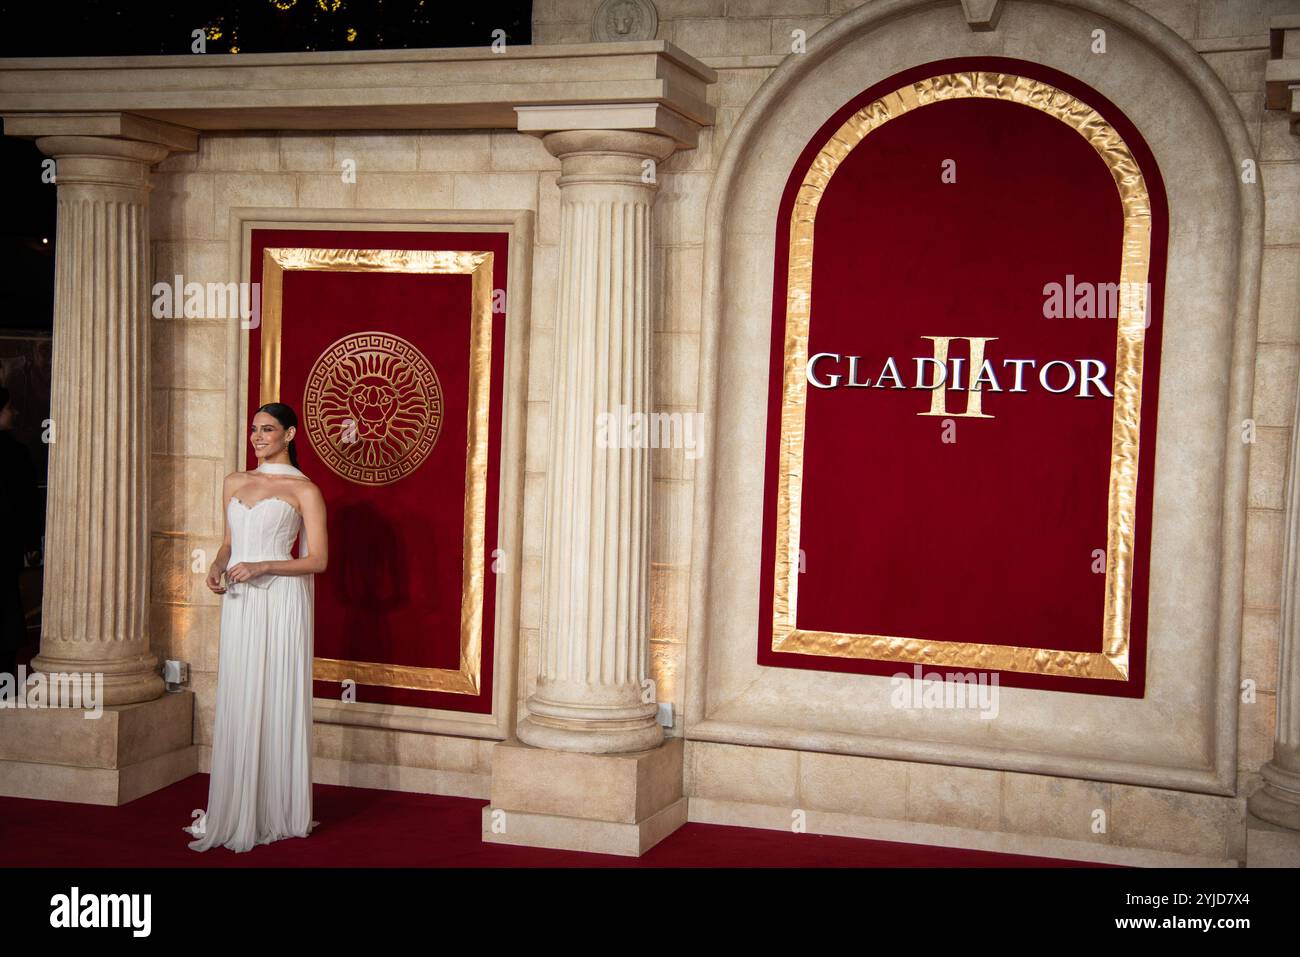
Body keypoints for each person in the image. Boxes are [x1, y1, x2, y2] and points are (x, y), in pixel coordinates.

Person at [185, 402, 328, 852]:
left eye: (267, 429)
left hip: (281, 600)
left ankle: (277, 808)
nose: (258, 436)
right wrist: (216, 564)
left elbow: (318, 561)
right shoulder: (233, 480)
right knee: (242, 691)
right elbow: (230, 542)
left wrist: (265, 564)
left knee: (275, 692)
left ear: (290, 434)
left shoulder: (306, 490)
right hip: (241, 599)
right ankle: (236, 803)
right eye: (254, 429)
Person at [0, 384, 40, 679]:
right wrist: (31, 543)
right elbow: (25, 503)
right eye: (8, 408)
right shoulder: (15, 453)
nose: (13, 413)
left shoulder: (17, 452)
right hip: (5, 553)